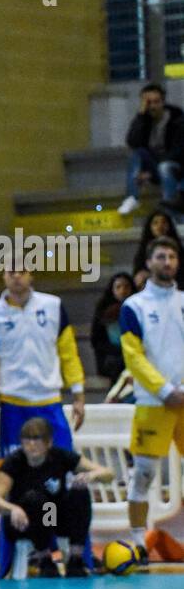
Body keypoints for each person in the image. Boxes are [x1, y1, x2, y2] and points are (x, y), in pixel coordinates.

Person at [120, 236, 184, 566]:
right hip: (152, 403)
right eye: (161, 256)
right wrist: (164, 391)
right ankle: (137, 543)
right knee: (143, 476)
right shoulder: (133, 307)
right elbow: (134, 358)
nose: (168, 262)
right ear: (149, 263)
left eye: (172, 256)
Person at [0, 267, 85, 455]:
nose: (17, 276)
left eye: (22, 271)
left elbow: (69, 353)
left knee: (62, 466)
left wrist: (79, 395)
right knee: (14, 474)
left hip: (50, 402)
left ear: (31, 274)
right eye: (11, 272)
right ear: (3, 276)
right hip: (12, 407)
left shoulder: (54, 306)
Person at [0, 417, 112, 578]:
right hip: (26, 523)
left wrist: (91, 476)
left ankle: (76, 558)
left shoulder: (61, 456)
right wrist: (12, 508)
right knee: (35, 499)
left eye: (37, 439)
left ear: (48, 442)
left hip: (53, 519)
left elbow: (108, 474)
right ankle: (44, 558)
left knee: (79, 491)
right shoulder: (13, 463)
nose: (31, 445)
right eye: (27, 440)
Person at [118, 83, 184, 215]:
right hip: (154, 166)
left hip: (175, 166)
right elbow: (133, 142)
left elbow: (178, 151)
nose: (152, 106)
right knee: (137, 154)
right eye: (148, 102)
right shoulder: (144, 120)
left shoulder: (178, 120)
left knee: (164, 167)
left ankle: (170, 209)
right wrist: (141, 116)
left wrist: (150, 174)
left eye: (156, 102)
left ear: (163, 102)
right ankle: (132, 197)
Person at [89, 271, 135, 387]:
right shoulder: (104, 309)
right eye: (118, 287)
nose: (122, 291)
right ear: (112, 289)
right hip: (113, 356)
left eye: (126, 286)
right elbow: (97, 340)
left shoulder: (138, 307)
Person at [131, 206, 184, 290]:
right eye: (155, 223)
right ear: (149, 227)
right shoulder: (142, 253)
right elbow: (138, 278)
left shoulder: (179, 251)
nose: (160, 226)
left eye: (164, 222)